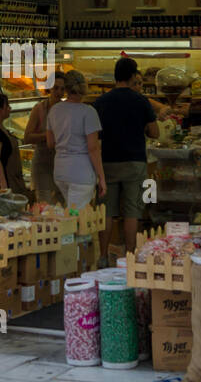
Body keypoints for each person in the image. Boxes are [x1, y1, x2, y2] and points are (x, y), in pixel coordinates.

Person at [94, 56, 159, 264]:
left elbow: (94, 135)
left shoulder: (100, 102)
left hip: (107, 163)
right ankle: (130, 257)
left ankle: (103, 256)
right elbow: (154, 132)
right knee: (132, 211)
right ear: (132, 76)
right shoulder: (141, 100)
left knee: (107, 212)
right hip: (135, 162)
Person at [46, 70, 105, 209]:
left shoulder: (54, 110)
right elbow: (93, 148)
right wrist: (101, 178)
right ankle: (73, 230)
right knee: (77, 216)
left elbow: (50, 143)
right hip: (81, 173)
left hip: (60, 171)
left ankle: (72, 228)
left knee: (71, 210)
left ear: (66, 88)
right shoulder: (88, 112)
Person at [24, 73, 67, 203]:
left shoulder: (67, 110)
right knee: (45, 208)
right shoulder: (39, 109)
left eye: (62, 89)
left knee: (61, 208)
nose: (59, 92)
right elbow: (27, 137)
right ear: (49, 88)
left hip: (62, 165)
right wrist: (47, 135)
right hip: (43, 166)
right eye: (56, 88)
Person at [0, 93, 30, 196]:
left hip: (11, 182)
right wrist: (4, 188)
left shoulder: (0, 128)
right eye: (7, 106)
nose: (9, 109)